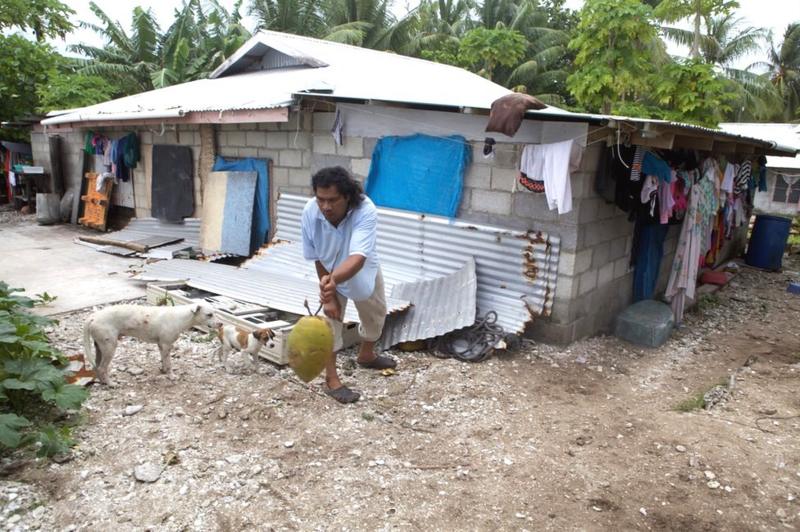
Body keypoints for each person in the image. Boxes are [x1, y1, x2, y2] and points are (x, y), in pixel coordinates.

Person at [301, 166, 397, 403]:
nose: (326, 207)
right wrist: (329, 292)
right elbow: (315, 255)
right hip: (329, 268)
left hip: (362, 268)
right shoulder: (310, 213)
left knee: (376, 314)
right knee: (330, 322)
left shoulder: (365, 210)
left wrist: (332, 281)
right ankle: (331, 380)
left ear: (347, 196)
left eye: (332, 200)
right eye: (321, 199)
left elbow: (357, 257)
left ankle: (366, 355)